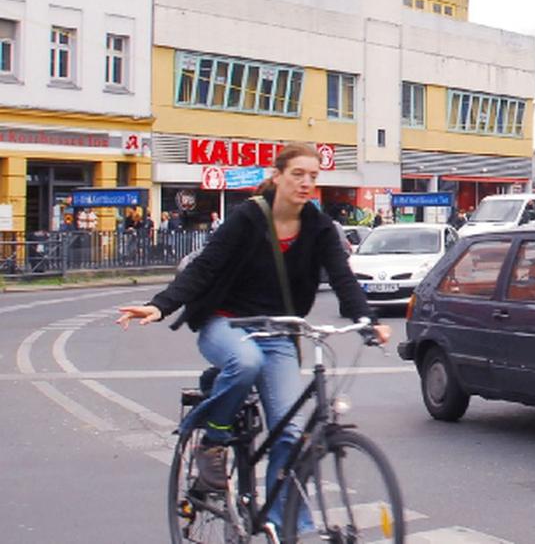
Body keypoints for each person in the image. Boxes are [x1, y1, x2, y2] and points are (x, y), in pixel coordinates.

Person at [116, 144, 390, 536]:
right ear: (277, 175)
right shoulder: (247, 218)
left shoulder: (319, 227)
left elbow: (342, 277)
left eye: (313, 176)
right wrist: (159, 306)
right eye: (298, 173)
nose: (307, 183)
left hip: (278, 332)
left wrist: (366, 319)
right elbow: (206, 268)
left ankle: (281, 525)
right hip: (225, 324)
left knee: (291, 434)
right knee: (246, 362)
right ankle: (212, 440)